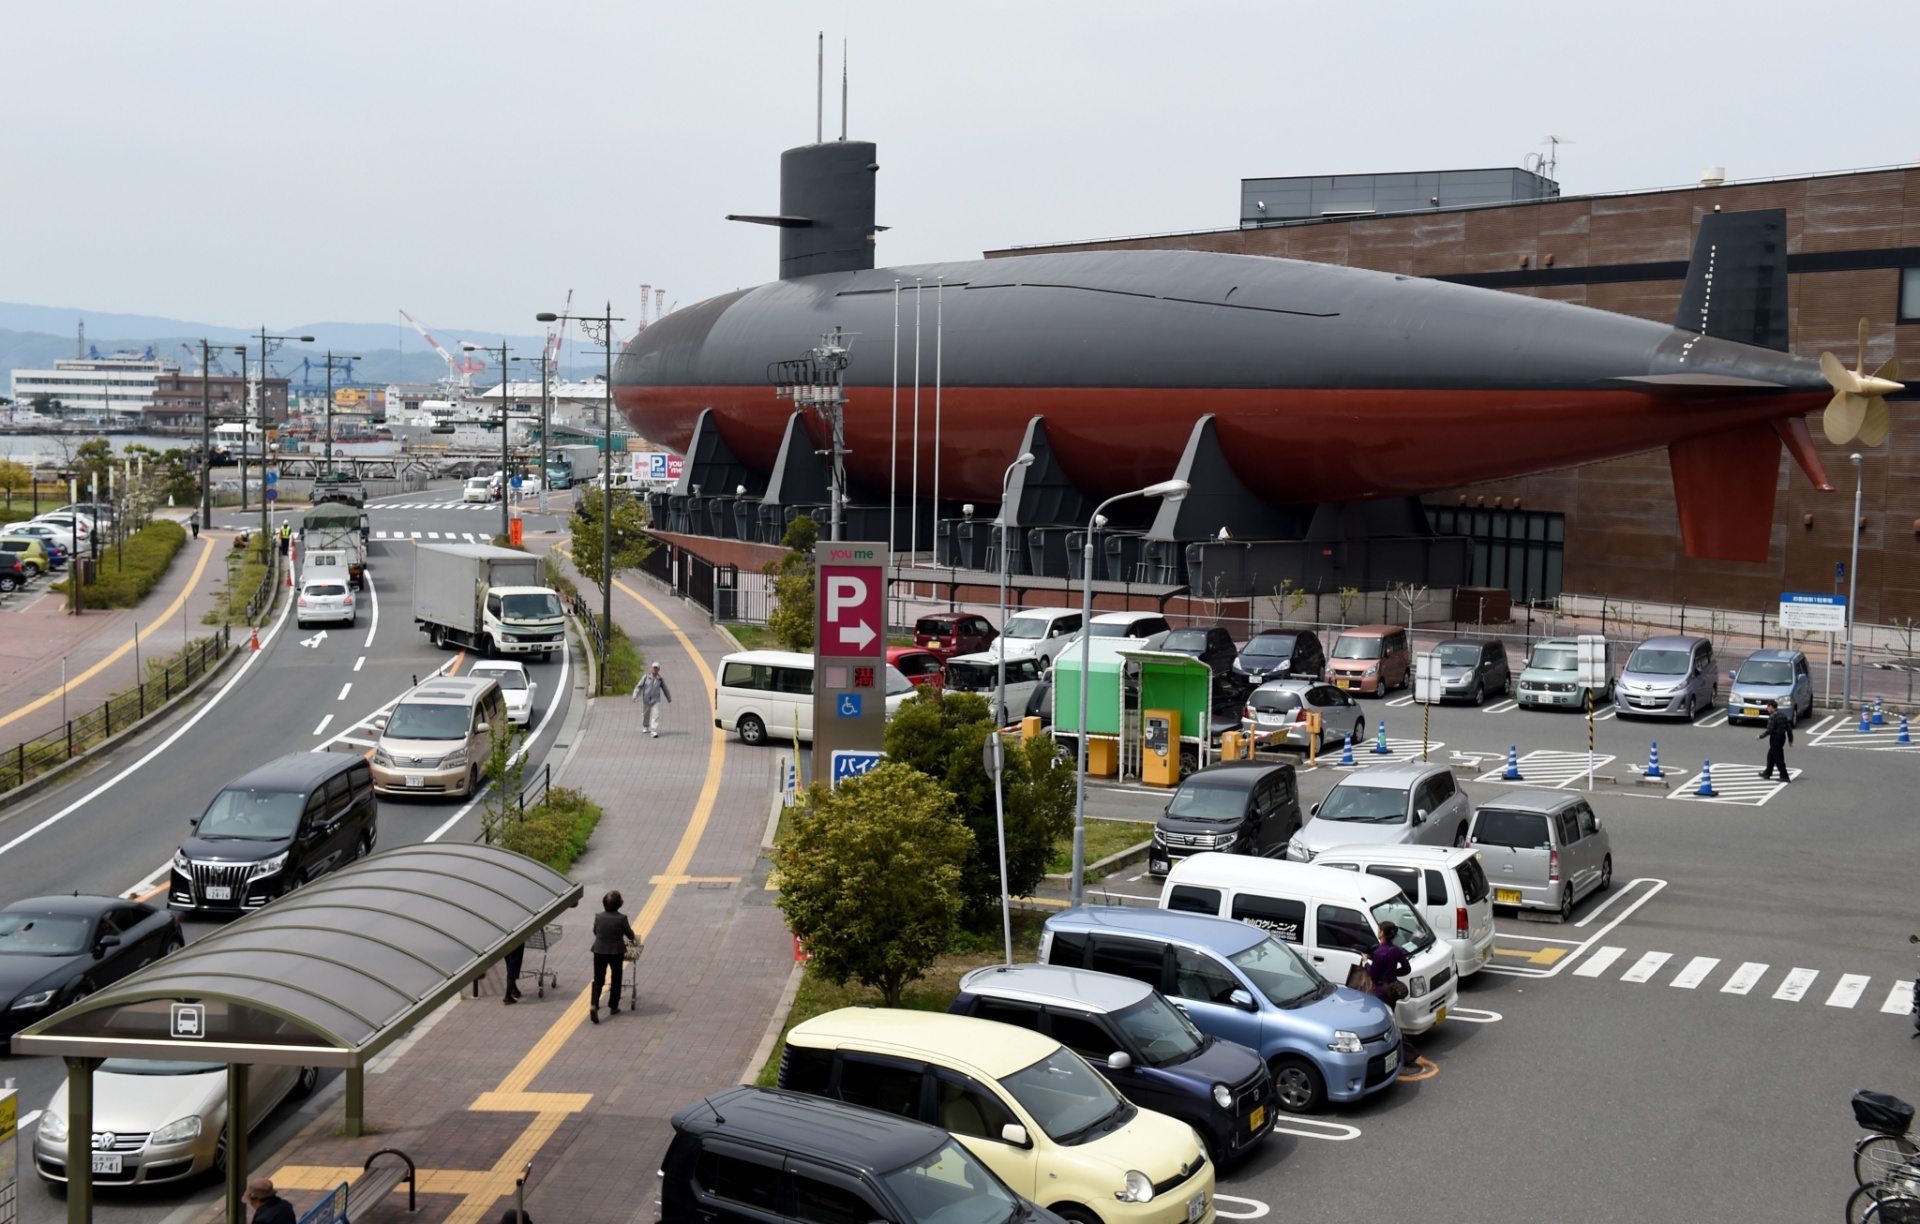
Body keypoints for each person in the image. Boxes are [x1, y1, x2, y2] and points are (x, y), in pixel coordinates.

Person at [1366, 922, 1419, 1068]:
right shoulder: (1396, 950)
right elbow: (1406, 968)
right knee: (1390, 1021)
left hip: (1381, 991)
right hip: (1393, 990)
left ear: (1382, 933)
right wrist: (1394, 974)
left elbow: (1372, 974)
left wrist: (1366, 962)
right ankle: (1401, 1054)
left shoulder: (1378, 953)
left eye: (1379, 929)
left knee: (1390, 1025)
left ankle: (1409, 1054)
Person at [589, 889, 636, 1024]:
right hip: (616, 951)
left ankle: (594, 1004)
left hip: (599, 950)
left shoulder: (599, 916)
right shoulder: (622, 918)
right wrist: (632, 939)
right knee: (616, 978)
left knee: (598, 979)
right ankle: (613, 1006)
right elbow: (630, 935)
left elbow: (595, 931)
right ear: (619, 904)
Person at [1757, 698, 1795, 782]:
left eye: (1768, 707)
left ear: (1771, 707)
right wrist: (1790, 739)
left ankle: (1784, 776)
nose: (1767, 709)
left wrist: (1760, 736)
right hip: (1782, 737)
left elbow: (1769, 730)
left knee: (1778, 758)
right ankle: (1767, 773)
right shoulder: (1783, 715)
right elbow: (1789, 728)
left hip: (1775, 738)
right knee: (1771, 755)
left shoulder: (1773, 716)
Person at [631, 662, 672, 738]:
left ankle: (654, 731)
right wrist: (635, 696)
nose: (654, 669)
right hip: (646, 699)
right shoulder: (646, 677)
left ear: (659, 669)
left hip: (655, 700)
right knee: (645, 714)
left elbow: (665, 689)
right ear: (651, 668)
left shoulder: (660, 679)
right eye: (654, 668)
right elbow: (638, 687)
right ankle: (645, 726)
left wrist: (668, 698)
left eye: (656, 668)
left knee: (656, 715)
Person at [503, 940, 525, 1005]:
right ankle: (508, 995)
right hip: (516, 939)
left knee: (509, 962)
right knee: (514, 963)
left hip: (505, 939)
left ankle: (514, 989)